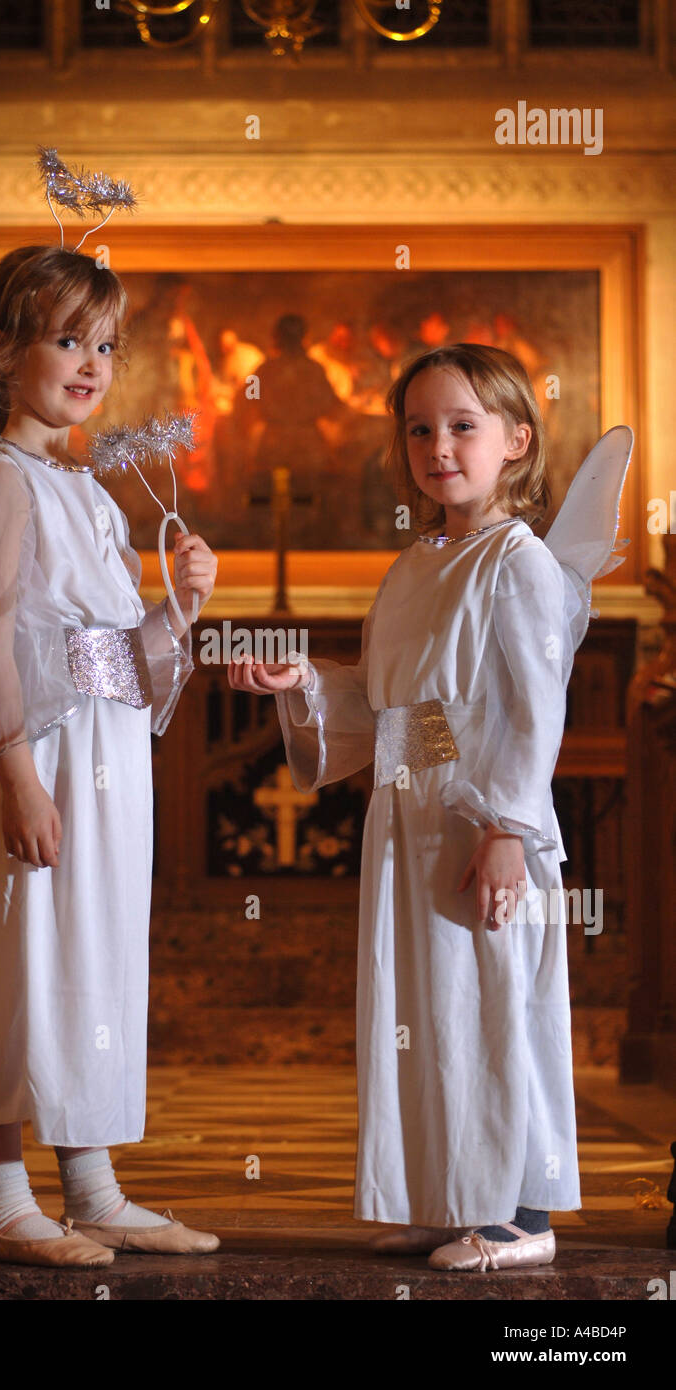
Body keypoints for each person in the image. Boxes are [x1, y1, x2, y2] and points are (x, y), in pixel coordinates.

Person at [228, 343, 627, 1273]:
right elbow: (388, 708)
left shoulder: (516, 561)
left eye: (461, 425)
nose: (437, 445)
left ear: (514, 441)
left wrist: (504, 834)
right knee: (427, 1004)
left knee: (493, 1007)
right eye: (418, 428)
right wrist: (307, 683)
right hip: (405, 818)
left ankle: (520, 1216)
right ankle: (450, 1193)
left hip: (480, 819)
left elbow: (531, 712)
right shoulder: (413, 564)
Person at [0, 244, 219, 1267]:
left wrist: (180, 604)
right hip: (44, 761)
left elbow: (125, 663)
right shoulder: (1, 481)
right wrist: (13, 766)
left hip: (108, 771)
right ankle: (3, 1198)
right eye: (68, 339)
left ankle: (93, 1187)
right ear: (3, 351)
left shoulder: (94, 494)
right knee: (22, 958)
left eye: (105, 343)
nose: (93, 362)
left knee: (92, 961)